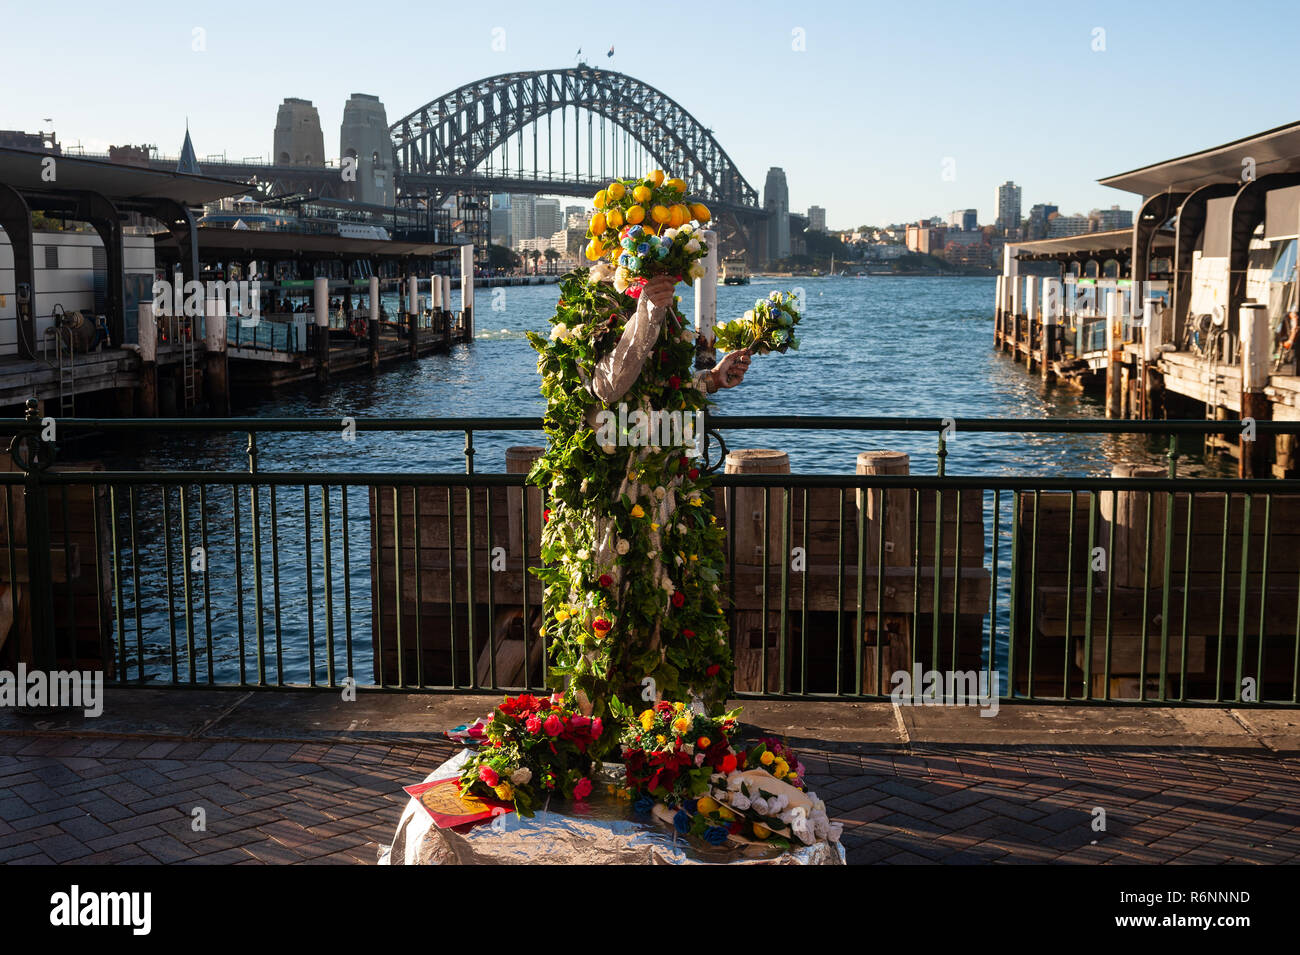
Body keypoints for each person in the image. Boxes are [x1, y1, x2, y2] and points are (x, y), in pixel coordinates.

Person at [529, 268, 752, 726]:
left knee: (667, 592)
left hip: (663, 485)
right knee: (607, 590)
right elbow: (607, 387)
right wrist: (648, 311)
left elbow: (660, 396)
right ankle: (599, 718)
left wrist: (711, 378)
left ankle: (666, 721)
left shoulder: (666, 315)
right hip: (612, 487)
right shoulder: (590, 309)